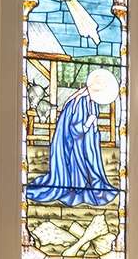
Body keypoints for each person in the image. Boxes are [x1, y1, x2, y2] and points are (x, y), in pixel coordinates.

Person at [26, 66, 120, 207]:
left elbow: (89, 129)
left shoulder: (91, 102)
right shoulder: (79, 102)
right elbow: (75, 131)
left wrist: (91, 126)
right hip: (71, 147)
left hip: (81, 145)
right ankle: (77, 186)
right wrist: (89, 123)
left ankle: (88, 183)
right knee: (78, 179)